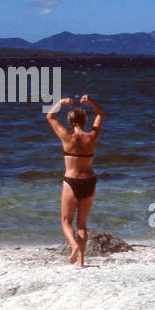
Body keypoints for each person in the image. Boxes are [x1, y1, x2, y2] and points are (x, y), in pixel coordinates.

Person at [45, 93, 104, 267]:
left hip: (71, 182)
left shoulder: (67, 136)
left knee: (65, 221)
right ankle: (81, 261)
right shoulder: (92, 136)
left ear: (70, 122)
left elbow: (50, 116)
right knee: (82, 224)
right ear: (85, 121)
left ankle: (74, 246)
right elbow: (101, 115)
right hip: (89, 181)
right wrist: (91, 101)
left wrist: (60, 103)